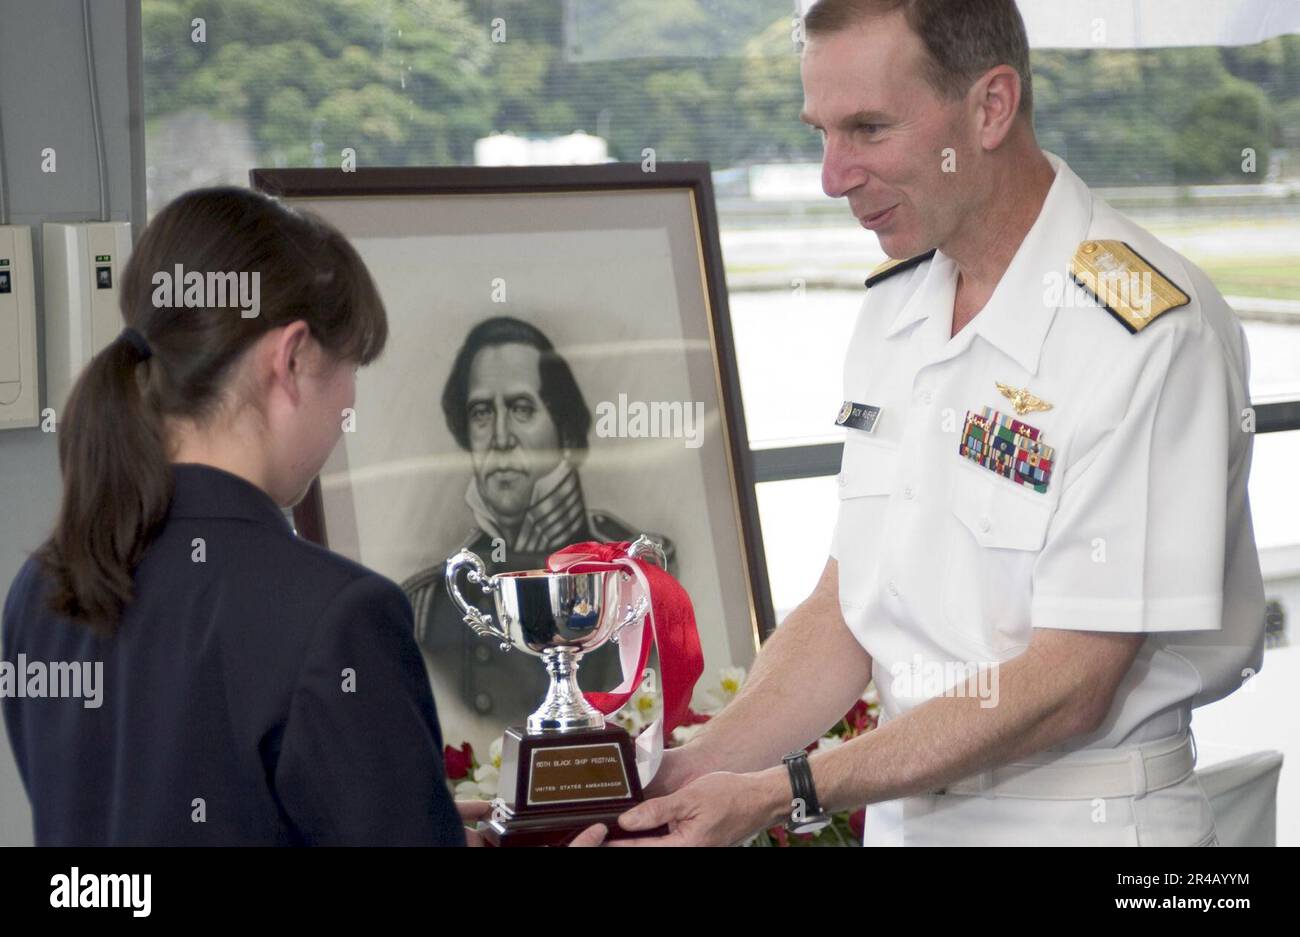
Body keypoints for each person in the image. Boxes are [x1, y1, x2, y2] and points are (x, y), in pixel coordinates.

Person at [612, 0, 1264, 847]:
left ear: (990, 108)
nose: (831, 175)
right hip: (905, 818)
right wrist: (689, 774)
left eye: (869, 129)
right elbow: (850, 606)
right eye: (821, 132)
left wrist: (788, 788)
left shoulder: (1144, 332)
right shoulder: (898, 312)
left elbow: (1071, 681)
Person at [0, 187, 605, 846]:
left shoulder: (41, 589)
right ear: (290, 360)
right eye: (349, 372)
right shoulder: (339, 616)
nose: (346, 406)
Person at [401, 316, 674, 754]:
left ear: (565, 431)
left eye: (522, 408)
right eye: (482, 413)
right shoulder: (427, 604)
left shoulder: (644, 568)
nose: (501, 438)